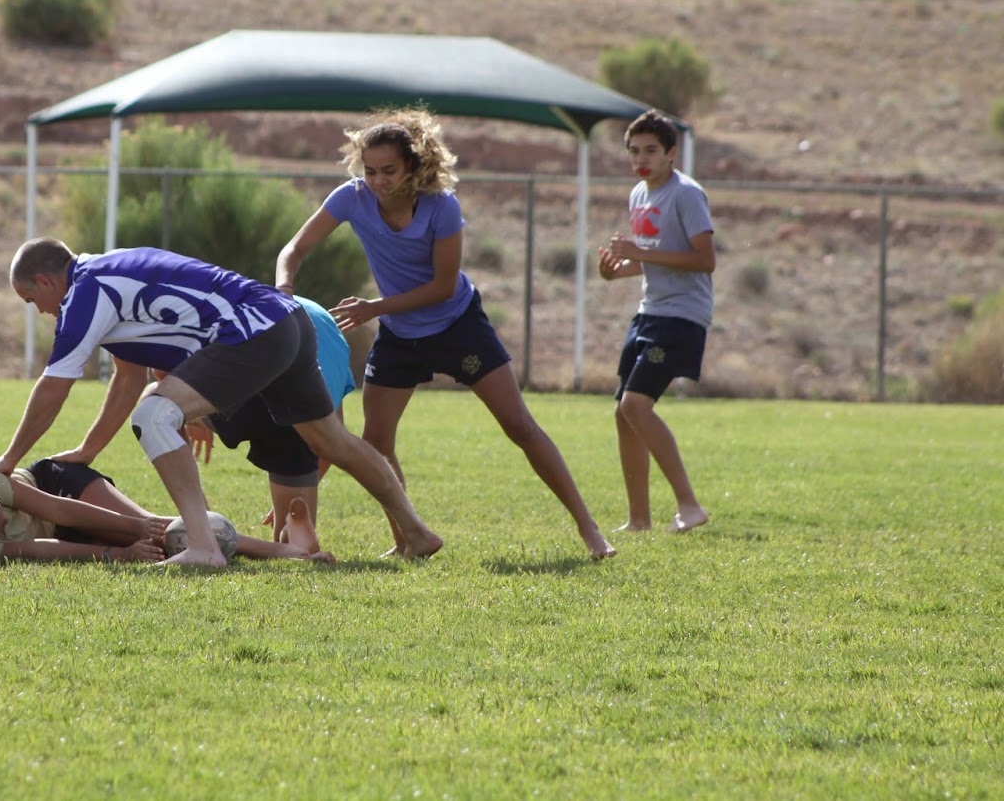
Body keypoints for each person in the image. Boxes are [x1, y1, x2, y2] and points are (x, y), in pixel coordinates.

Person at [0, 239, 442, 567]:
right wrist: (87, 452)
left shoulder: (86, 292)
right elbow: (127, 377)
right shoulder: (108, 276)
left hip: (253, 334)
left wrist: (8, 460)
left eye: (32, 300)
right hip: (288, 323)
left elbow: (54, 385)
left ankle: (202, 546)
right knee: (332, 440)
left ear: (46, 281)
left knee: (156, 416)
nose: (40, 311)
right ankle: (417, 533)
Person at [276, 107, 617, 561]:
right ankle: (407, 541)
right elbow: (294, 248)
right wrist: (282, 288)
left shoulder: (441, 206)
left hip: (458, 327)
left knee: (519, 426)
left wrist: (374, 308)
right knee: (377, 441)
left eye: (389, 171)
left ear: (414, 166)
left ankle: (589, 529)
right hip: (399, 336)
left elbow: (440, 287)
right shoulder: (350, 198)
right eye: (370, 170)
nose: (377, 180)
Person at [597, 109, 713, 534]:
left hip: (682, 316)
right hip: (649, 311)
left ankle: (689, 505)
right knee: (622, 413)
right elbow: (654, 264)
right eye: (633, 151)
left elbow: (705, 260)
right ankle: (639, 520)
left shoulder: (686, 194)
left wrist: (638, 254)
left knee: (635, 406)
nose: (641, 158)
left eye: (650, 150)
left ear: (670, 152)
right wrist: (617, 271)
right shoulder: (638, 195)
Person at [172, 295, 358, 552]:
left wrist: (191, 417)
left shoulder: (248, 305)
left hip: (251, 397)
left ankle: (202, 521)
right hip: (301, 414)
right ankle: (294, 529)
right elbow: (331, 444)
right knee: (292, 502)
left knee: (156, 402)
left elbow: (175, 371)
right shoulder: (330, 333)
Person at [0, 458, 329, 565]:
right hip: (59, 526)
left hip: (56, 485)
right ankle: (289, 549)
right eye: (3, 528)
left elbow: (60, 511)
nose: (7, 522)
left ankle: (295, 552)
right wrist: (114, 554)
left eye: (4, 514)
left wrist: (137, 526)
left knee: (166, 534)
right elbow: (41, 548)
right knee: (167, 546)